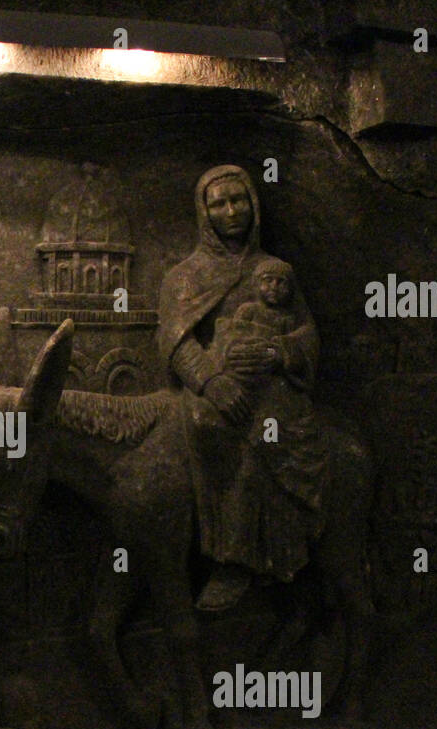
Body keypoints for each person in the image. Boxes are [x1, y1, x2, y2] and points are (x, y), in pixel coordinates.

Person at [156, 166, 326, 611]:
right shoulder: (185, 276)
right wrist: (211, 382)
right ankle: (229, 560)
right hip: (219, 387)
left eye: (239, 200)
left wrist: (278, 352)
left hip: (274, 386)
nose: (231, 211)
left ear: (253, 204)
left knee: (275, 429)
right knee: (209, 423)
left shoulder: (273, 270)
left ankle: (283, 555)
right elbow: (173, 339)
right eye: (219, 203)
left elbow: (307, 333)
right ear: (204, 212)